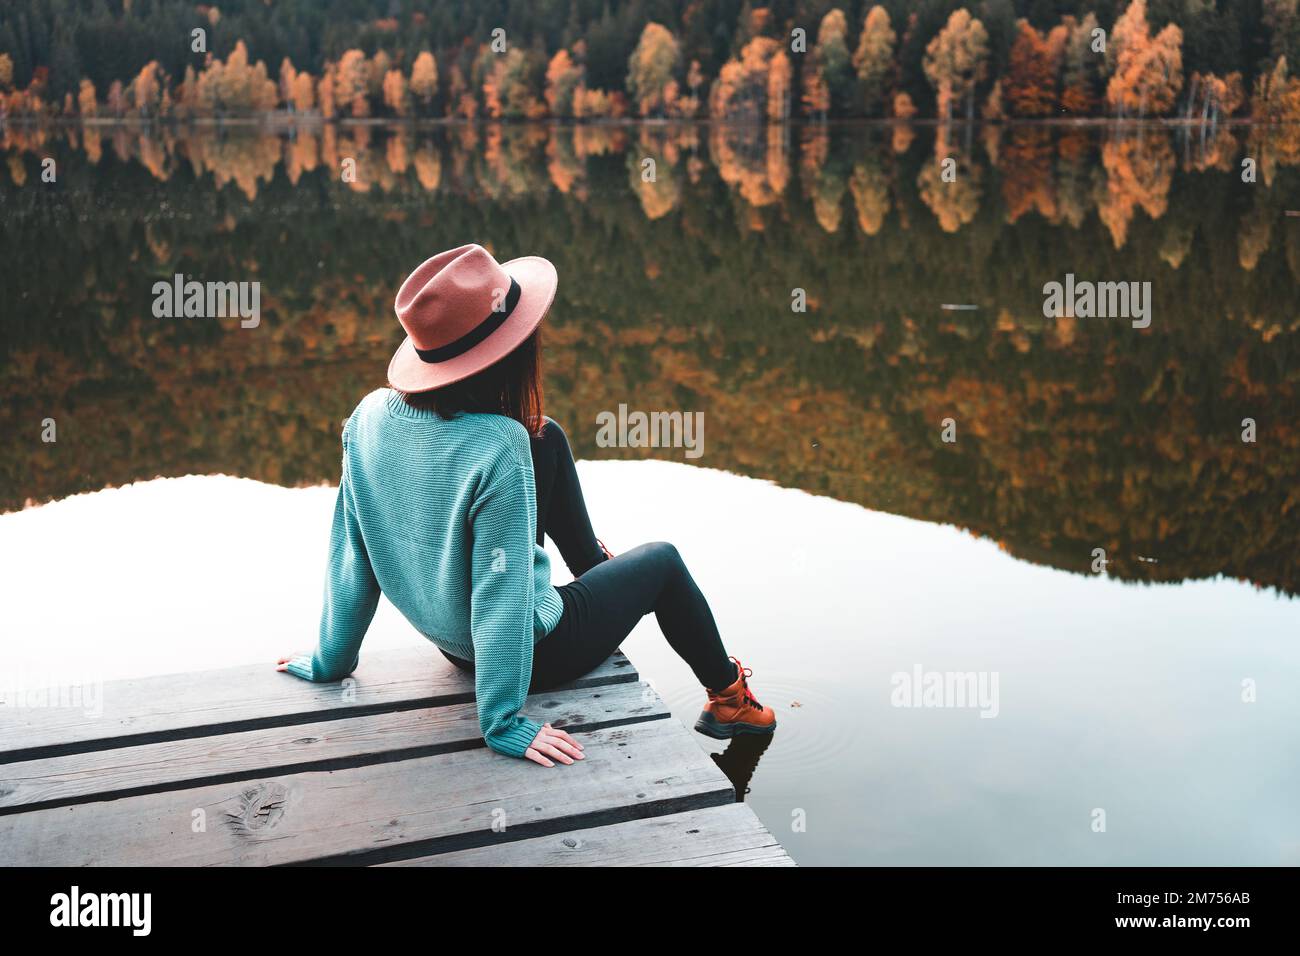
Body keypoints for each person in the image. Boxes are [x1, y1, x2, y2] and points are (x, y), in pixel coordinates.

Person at [278, 244, 775, 767]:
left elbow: (353, 557)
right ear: (509, 352)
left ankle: (596, 573)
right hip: (530, 654)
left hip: (451, 638)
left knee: (546, 437)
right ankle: (730, 701)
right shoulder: (498, 447)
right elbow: (499, 598)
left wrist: (333, 660)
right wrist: (501, 722)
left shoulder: (367, 419)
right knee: (663, 562)